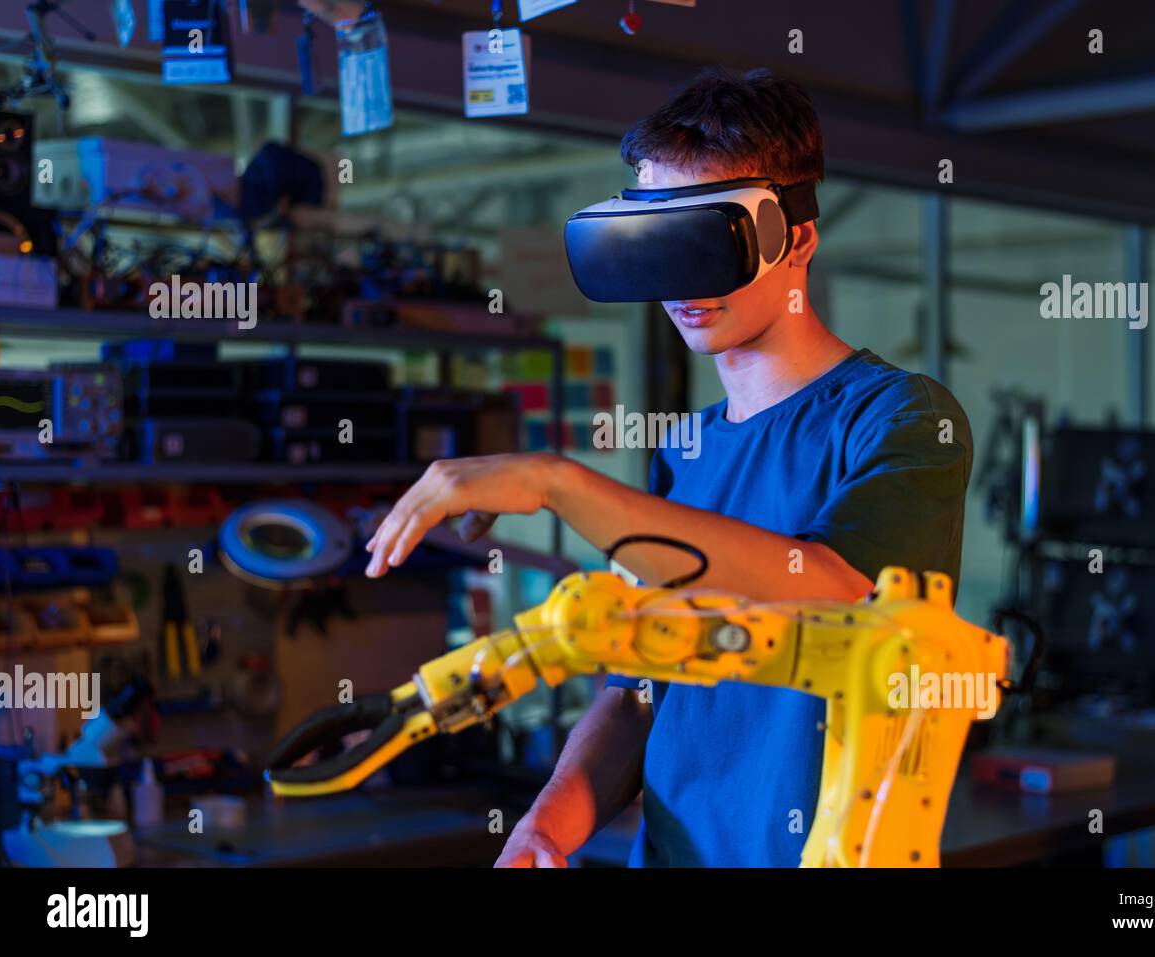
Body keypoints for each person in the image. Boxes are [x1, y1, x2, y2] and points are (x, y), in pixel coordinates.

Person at [363, 67, 972, 867]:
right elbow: (638, 692)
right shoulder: (682, 452)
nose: (681, 284)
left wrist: (561, 483)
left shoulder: (899, 417)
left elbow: (841, 598)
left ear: (796, 238)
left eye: (705, 244)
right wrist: (548, 825)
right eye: (659, 245)